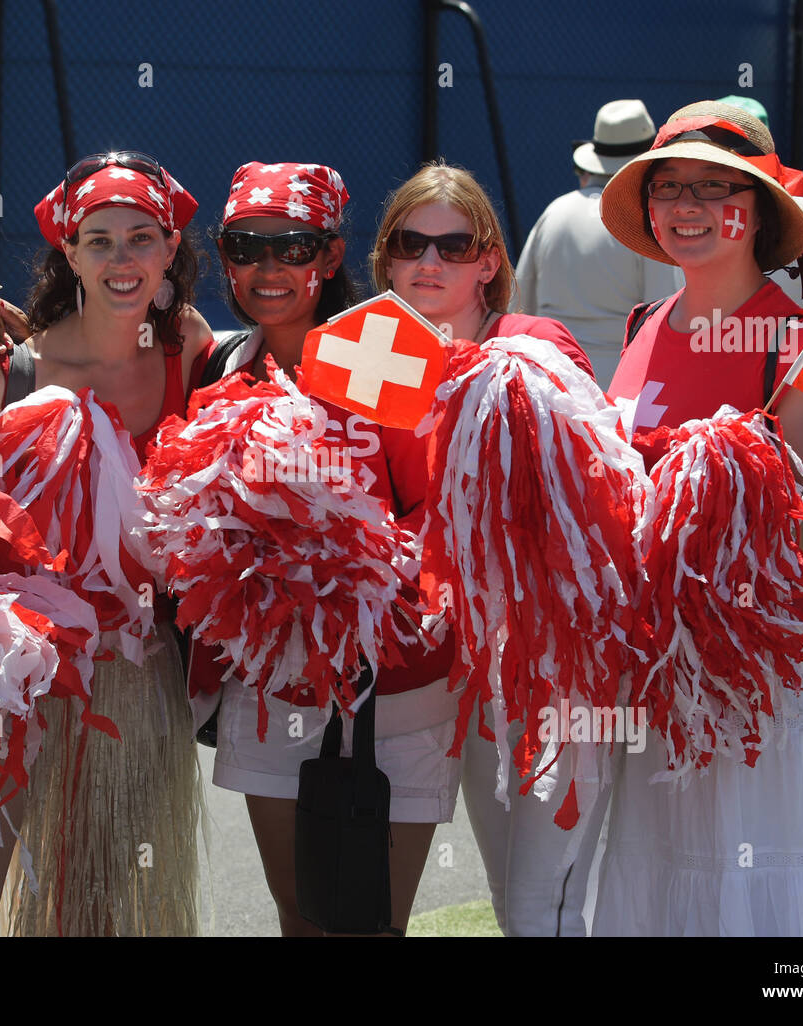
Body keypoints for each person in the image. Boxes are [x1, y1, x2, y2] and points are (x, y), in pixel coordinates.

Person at [594, 100, 803, 935]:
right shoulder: (643, 324)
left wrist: (712, 518)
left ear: (756, 211)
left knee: (756, 895)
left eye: (715, 188)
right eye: (669, 185)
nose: (686, 206)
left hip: (759, 678)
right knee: (664, 880)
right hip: (657, 667)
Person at [0, 151, 212, 936]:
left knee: (108, 906)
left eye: (142, 238)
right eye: (100, 239)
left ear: (171, 251)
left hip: (133, 675)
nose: (123, 259)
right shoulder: (14, 371)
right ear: (69, 253)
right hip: (11, 679)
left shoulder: (189, 351)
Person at [188, 159, 459, 937]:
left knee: (369, 926)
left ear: (331, 257)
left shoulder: (386, 348)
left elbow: (439, 519)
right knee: (302, 917)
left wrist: (348, 569)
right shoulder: (222, 368)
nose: (269, 268)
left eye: (295, 247)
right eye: (246, 247)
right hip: (272, 695)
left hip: (400, 693)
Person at [365, 161, 606, 937]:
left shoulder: (534, 342)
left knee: (546, 907)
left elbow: (591, 491)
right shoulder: (372, 362)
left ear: (489, 261)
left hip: (546, 671)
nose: (429, 262)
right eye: (410, 243)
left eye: (453, 245)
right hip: (448, 677)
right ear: (386, 257)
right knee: (515, 901)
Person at [515, 99, 682, 384]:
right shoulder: (645, 220)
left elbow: (518, 303)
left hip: (548, 377)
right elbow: (664, 317)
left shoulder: (553, 212)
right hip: (619, 384)